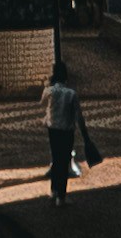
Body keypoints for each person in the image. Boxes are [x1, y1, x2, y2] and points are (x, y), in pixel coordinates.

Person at [42, 59, 98, 197]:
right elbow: (79, 117)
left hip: (53, 130)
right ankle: (61, 195)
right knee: (64, 160)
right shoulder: (71, 94)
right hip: (67, 131)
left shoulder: (49, 91)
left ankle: (54, 191)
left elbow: (43, 104)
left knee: (56, 159)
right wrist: (86, 136)